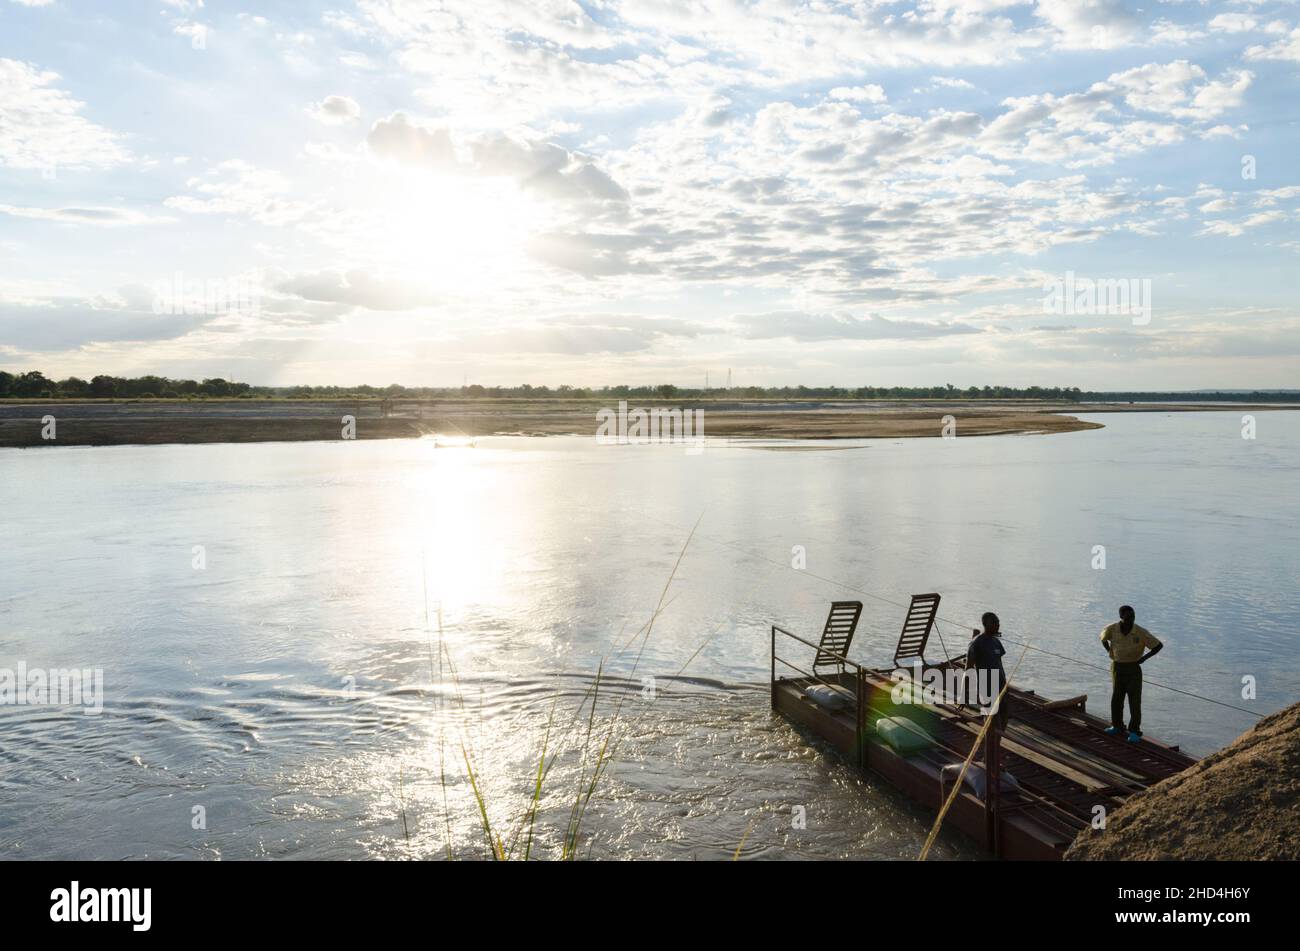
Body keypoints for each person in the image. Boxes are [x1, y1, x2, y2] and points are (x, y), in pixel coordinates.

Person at [1100, 605, 1163, 743]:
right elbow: (1103, 638)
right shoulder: (1112, 628)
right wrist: (1109, 651)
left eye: (1133, 617)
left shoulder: (1140, 632)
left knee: (1134, 701)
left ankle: (1134, 731)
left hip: (1133, 668)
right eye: (1128, 617)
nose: (1131, 620)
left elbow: (1158, 645)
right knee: (1117, 697)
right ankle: (1117, 725)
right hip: (1117, 667)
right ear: (1121, 617)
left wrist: (1144, 658)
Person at [966, 612, 1010, 730]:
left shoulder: (996, 642)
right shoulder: (977, 643)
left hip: (1001, 686)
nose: (998, 625)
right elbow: (969, 668)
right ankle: (989, 747)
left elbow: (999, 664)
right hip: (987, 688)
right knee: (991, 723)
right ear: (986, 624)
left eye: (998, 623)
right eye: (994, 623)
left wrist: (1005, 684)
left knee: (1004, 719)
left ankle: (997, 745)